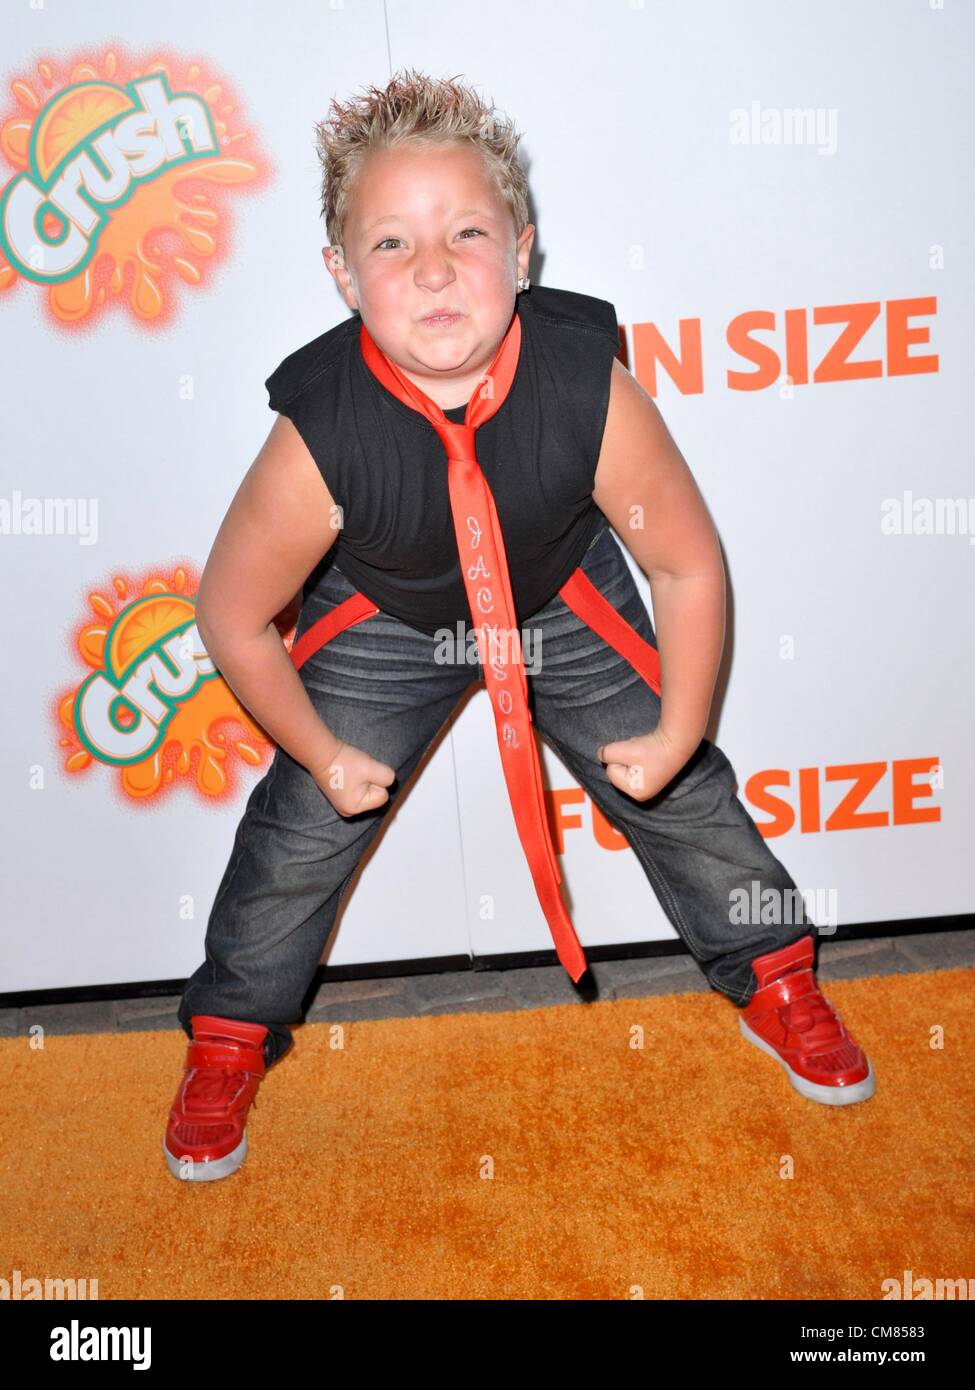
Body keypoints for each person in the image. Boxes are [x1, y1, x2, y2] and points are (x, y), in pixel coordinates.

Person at [165, 69, 874, 1184]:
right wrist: (322, 750)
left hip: (553, 590)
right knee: (300, 825)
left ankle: (779, 973)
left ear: (524, 251)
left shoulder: (586, 387)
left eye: (466, 232)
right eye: (392, 245)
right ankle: (229, 1036)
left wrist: (681, 728)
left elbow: (686, 566)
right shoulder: (318, 436)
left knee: (682, 789)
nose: (436, 268)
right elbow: (232, 613)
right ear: (342, 276)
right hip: (386, 611)